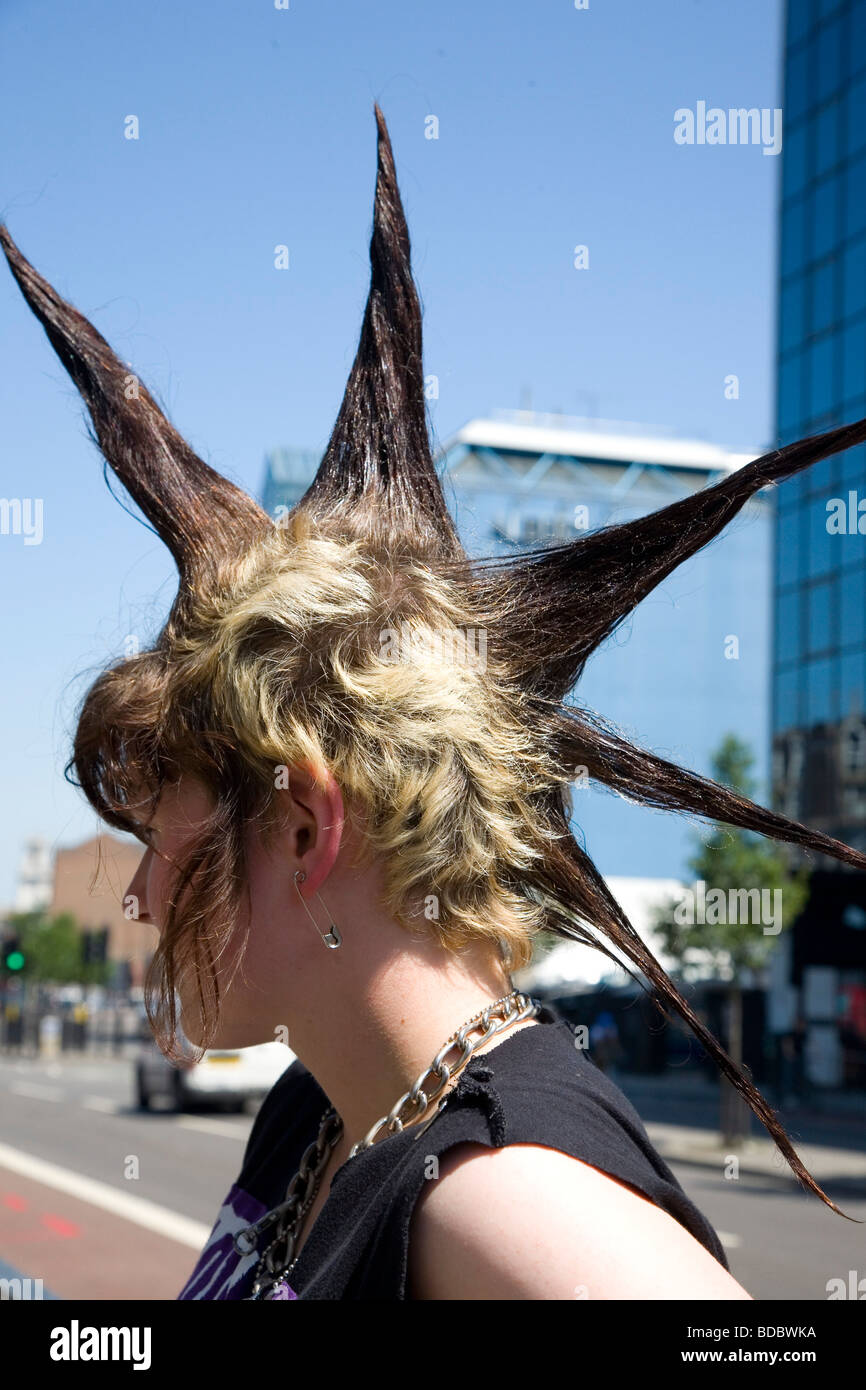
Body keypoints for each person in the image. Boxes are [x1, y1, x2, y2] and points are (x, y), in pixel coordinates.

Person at [3, 104, 865, 1302]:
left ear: (305, 825)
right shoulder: (320, 1116)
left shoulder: (503, 1200)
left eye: (160, 838)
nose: (139, 896)